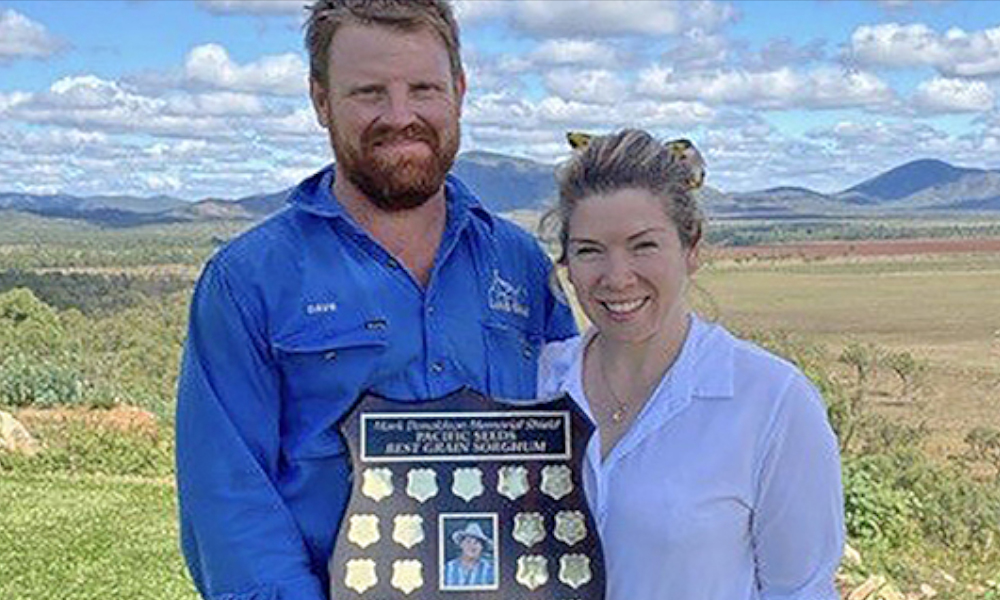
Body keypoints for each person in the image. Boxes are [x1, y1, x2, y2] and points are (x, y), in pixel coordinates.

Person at [174, 1, 576, 599]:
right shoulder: (247, 282)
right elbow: (229, 505)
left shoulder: (518, 263)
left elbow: (577, 437)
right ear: (320, 100)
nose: (400, 115)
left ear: (459, 91)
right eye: (368, 92)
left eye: (423, 88)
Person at [537, 129, 844, 600]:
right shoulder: (538, 384)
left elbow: (801, 591)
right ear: (567, 262)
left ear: (692, 248)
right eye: (589, 250)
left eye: (644, 246)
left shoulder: (772, 401)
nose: (617, 277)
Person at [442, 521, 496, 588]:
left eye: (476, 543)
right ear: (461, 545)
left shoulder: (490, 571)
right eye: (468, 541)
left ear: (482, 547)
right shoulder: (448, 568)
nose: (472, 546)